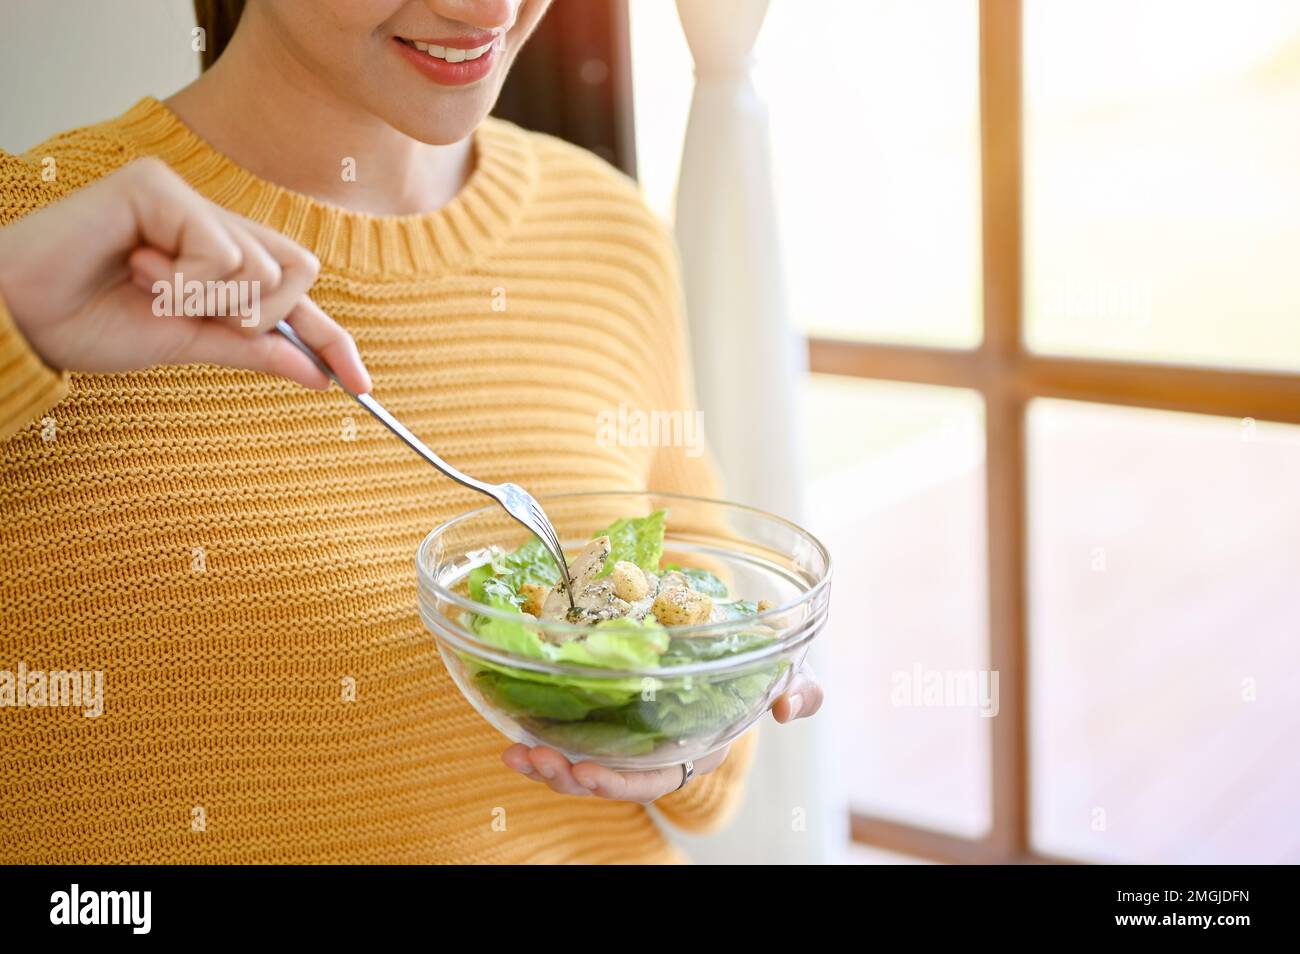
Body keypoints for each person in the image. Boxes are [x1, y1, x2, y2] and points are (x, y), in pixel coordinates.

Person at [0, 0, 822, 863]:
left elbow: (712, 695)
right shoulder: (34, 236)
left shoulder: (609, 229)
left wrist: (699, 710)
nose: (491, 10)